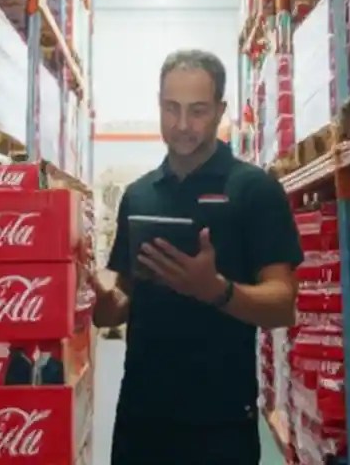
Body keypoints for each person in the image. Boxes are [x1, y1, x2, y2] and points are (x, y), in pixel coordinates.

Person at [91, 49, 303, 465]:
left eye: (198, 111)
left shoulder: (255, 190)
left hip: (220, 422)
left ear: (221, 110)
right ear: (159, 104)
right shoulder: (138, 194)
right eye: (171, 109)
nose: (182, 125)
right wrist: (98, 297)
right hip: (141, 419)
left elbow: (283, 305)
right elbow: (119, 305)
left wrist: (215, 290)